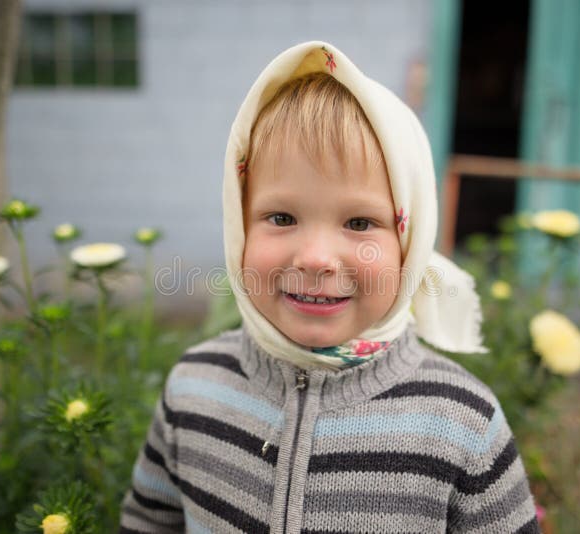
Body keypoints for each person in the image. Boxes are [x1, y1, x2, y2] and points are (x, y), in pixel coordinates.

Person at [120, 41, 539, 534]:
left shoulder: (463, 423)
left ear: (410, 241)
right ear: (239, 226)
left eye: (359, 223)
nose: (316, 258)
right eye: (282, 217)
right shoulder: (193, 388)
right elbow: (148, 523)